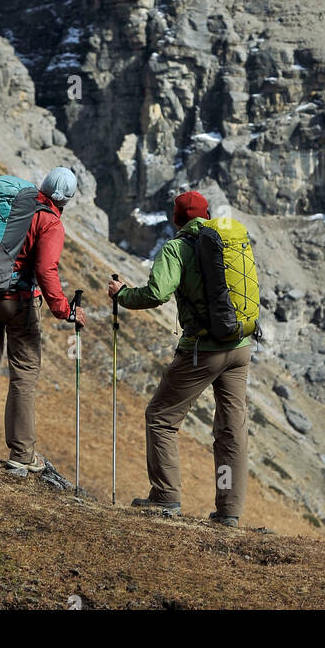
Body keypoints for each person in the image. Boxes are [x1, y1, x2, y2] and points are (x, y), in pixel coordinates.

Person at [108, 190, 252, 526]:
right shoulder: (226, 241)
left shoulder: (177, 248)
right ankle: (229, 510)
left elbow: (157, 293)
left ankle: (165, 497)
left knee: (161, 416)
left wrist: (123, 294)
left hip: (204, 350)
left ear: (177, 219)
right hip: (241, 346)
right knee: (231, 430)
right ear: (207, 214)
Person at [0, 167, 85, 475]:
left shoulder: (16, 202)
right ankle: (21, 453)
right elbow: (46, 270)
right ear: (66, 199)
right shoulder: (50, 222)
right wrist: (64, 310)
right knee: (24, 372)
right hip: (18, 304)